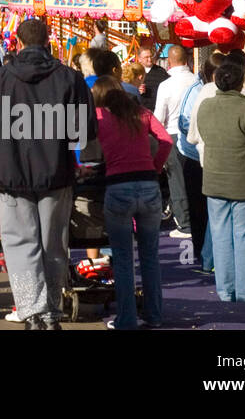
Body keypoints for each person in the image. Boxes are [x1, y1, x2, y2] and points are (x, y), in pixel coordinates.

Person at [0, 17, 95, 331]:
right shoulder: (69, 78)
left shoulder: (0, 79)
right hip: (55, 172)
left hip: (12, 174)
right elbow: (82, 131)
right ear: (48, 42)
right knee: (53, 243)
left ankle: (33, 311)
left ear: (16, 42)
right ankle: (51, 311)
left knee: (21, 244)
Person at [91, 75, 172, 330]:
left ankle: (126, 319)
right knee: (150, 255)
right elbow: (166, 141)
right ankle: (154, 314)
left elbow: (81, 147)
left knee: (123, 257)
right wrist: (155, 166)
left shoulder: (99, 117)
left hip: (118, 186)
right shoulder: (142, 113)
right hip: (148, 184)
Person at [194, 59, 245, 304]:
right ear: (241, 82)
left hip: (215, 178)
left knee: (220, 236)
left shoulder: (206, 106)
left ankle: (225, 292)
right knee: (243, 237)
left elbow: (204, 135)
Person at [153, 44, 199, 242]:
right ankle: (197, 219)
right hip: (196, 135)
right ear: (187, 60)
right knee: (196, 178)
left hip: (172, 134)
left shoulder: (166, 85)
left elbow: (158, 117)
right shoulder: (197, 82)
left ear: (169, 62)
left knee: (177, 180)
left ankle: (184, 222)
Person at [138, 43, 169, 113]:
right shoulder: (134, 71)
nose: (149, 59)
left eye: (151, 56)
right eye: (146, 57)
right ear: (139, 59)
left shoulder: (161, 72)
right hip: (139, 112)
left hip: (156, 111)